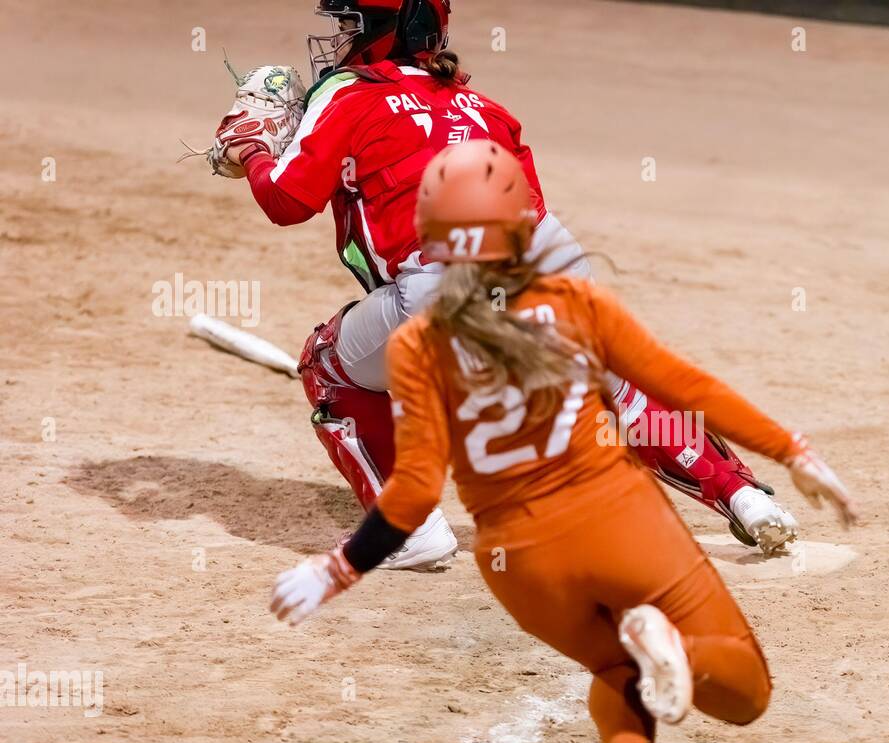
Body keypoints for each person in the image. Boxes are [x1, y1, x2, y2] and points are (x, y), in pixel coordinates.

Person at [269, 140, 858, 743]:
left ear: (428, 238)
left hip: (519, 565)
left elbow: (414, 491)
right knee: (741, 689)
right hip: (618, 521)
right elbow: (686, 389)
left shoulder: (417, 344)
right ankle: (674, 646)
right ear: (522, 227)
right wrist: (792, 449)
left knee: (615, 671)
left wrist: (333, 570)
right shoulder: (572, 301)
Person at [221, 0, 799, 568]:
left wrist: (251, 151)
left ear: (386, 27)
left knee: (326, 364)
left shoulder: (345, 92)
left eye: (350, 24)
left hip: (446, 294)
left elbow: (286, 202)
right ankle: (741, 496)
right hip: (554, 266)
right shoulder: (483, 107)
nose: (340, 38)